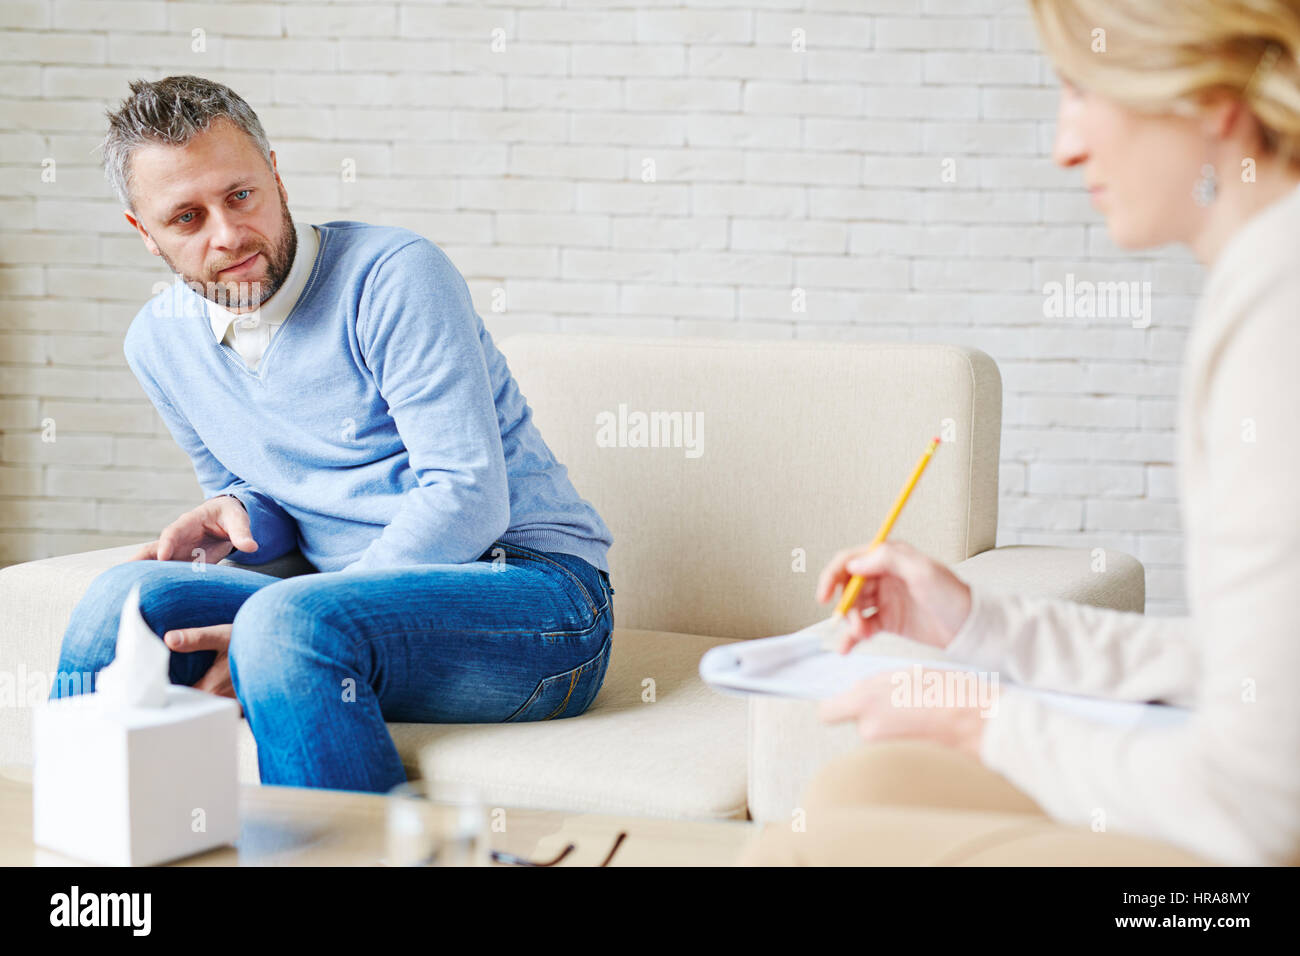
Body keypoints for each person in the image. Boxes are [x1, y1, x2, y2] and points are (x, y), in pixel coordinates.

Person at [742, 0, 1300, 866]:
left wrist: (977, 720)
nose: (1064, 146)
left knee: (806, 849)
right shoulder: (1263, 274)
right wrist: (977, 629)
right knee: (862, 790)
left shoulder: (1279, 309)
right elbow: (1240, 666)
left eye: (1081, 90)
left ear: (1210, 96)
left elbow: (1258, 804)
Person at [50, 75, 616, 795]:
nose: (227, 235)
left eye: (241, 195)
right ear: (146, 235)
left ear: (276, 176)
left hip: (533, 597)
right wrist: (241, 518)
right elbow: (267, 507)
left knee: (287, 629)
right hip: (335, 608)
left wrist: (286, 621)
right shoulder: (157, 345)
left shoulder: (392, 277)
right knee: (119, 603)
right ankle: (88, 860)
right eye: (187, 217)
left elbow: (467, 496)